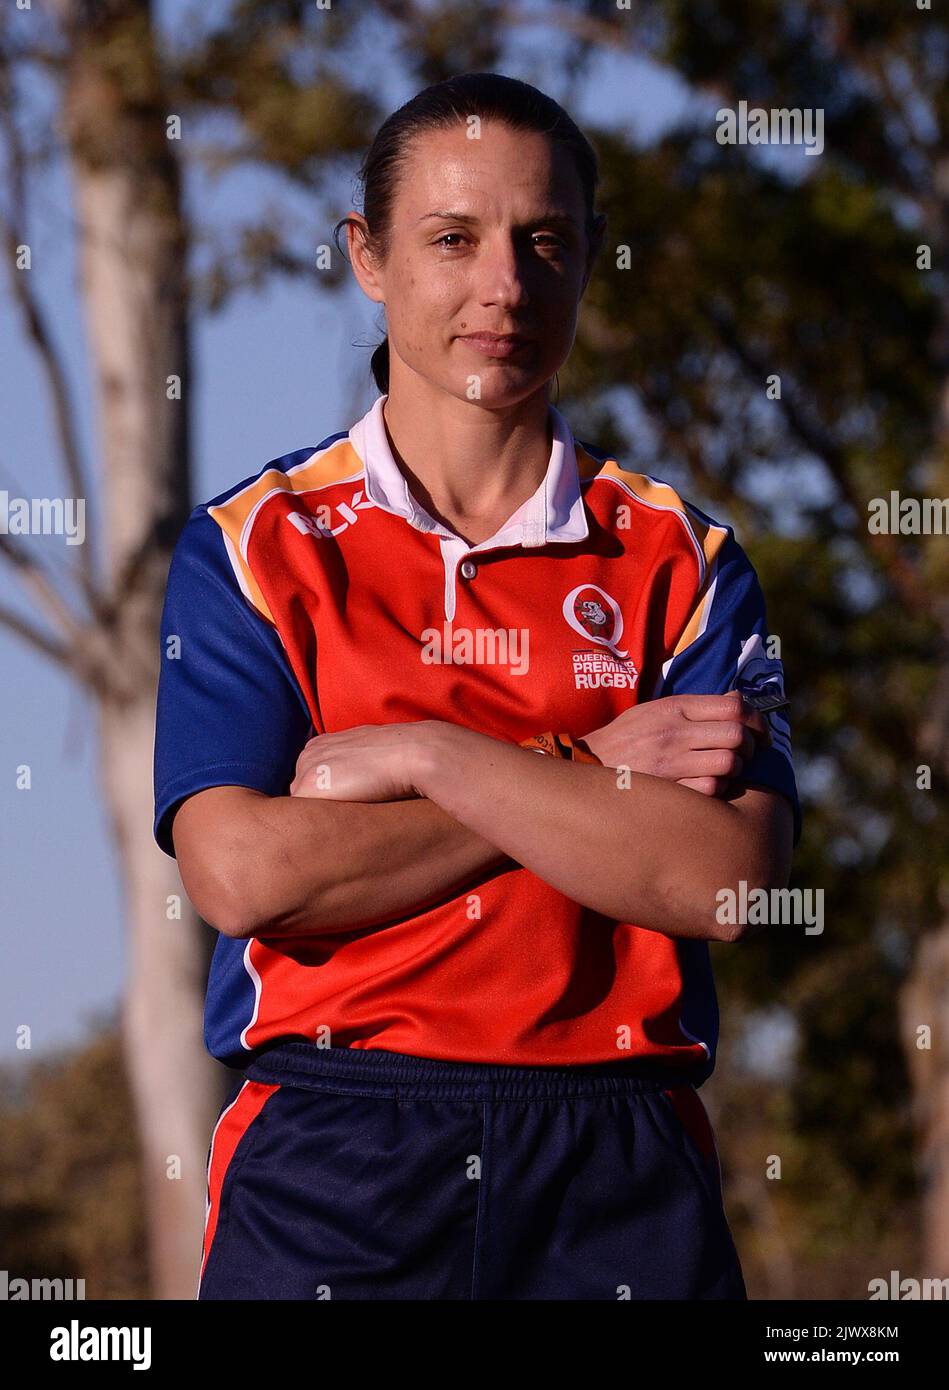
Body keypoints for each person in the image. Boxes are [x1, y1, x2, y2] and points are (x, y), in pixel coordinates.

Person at [152, 71, 801, 1301]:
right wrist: (587, 765)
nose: (504, 285)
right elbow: (242, 873)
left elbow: (720, 882)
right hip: (334, 1152)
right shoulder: (254, 543)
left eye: (543, 239)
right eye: (453, 238)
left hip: (619, 1158)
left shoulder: (683, 557)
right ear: (368, 258)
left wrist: (427, 755)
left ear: (591, 257)